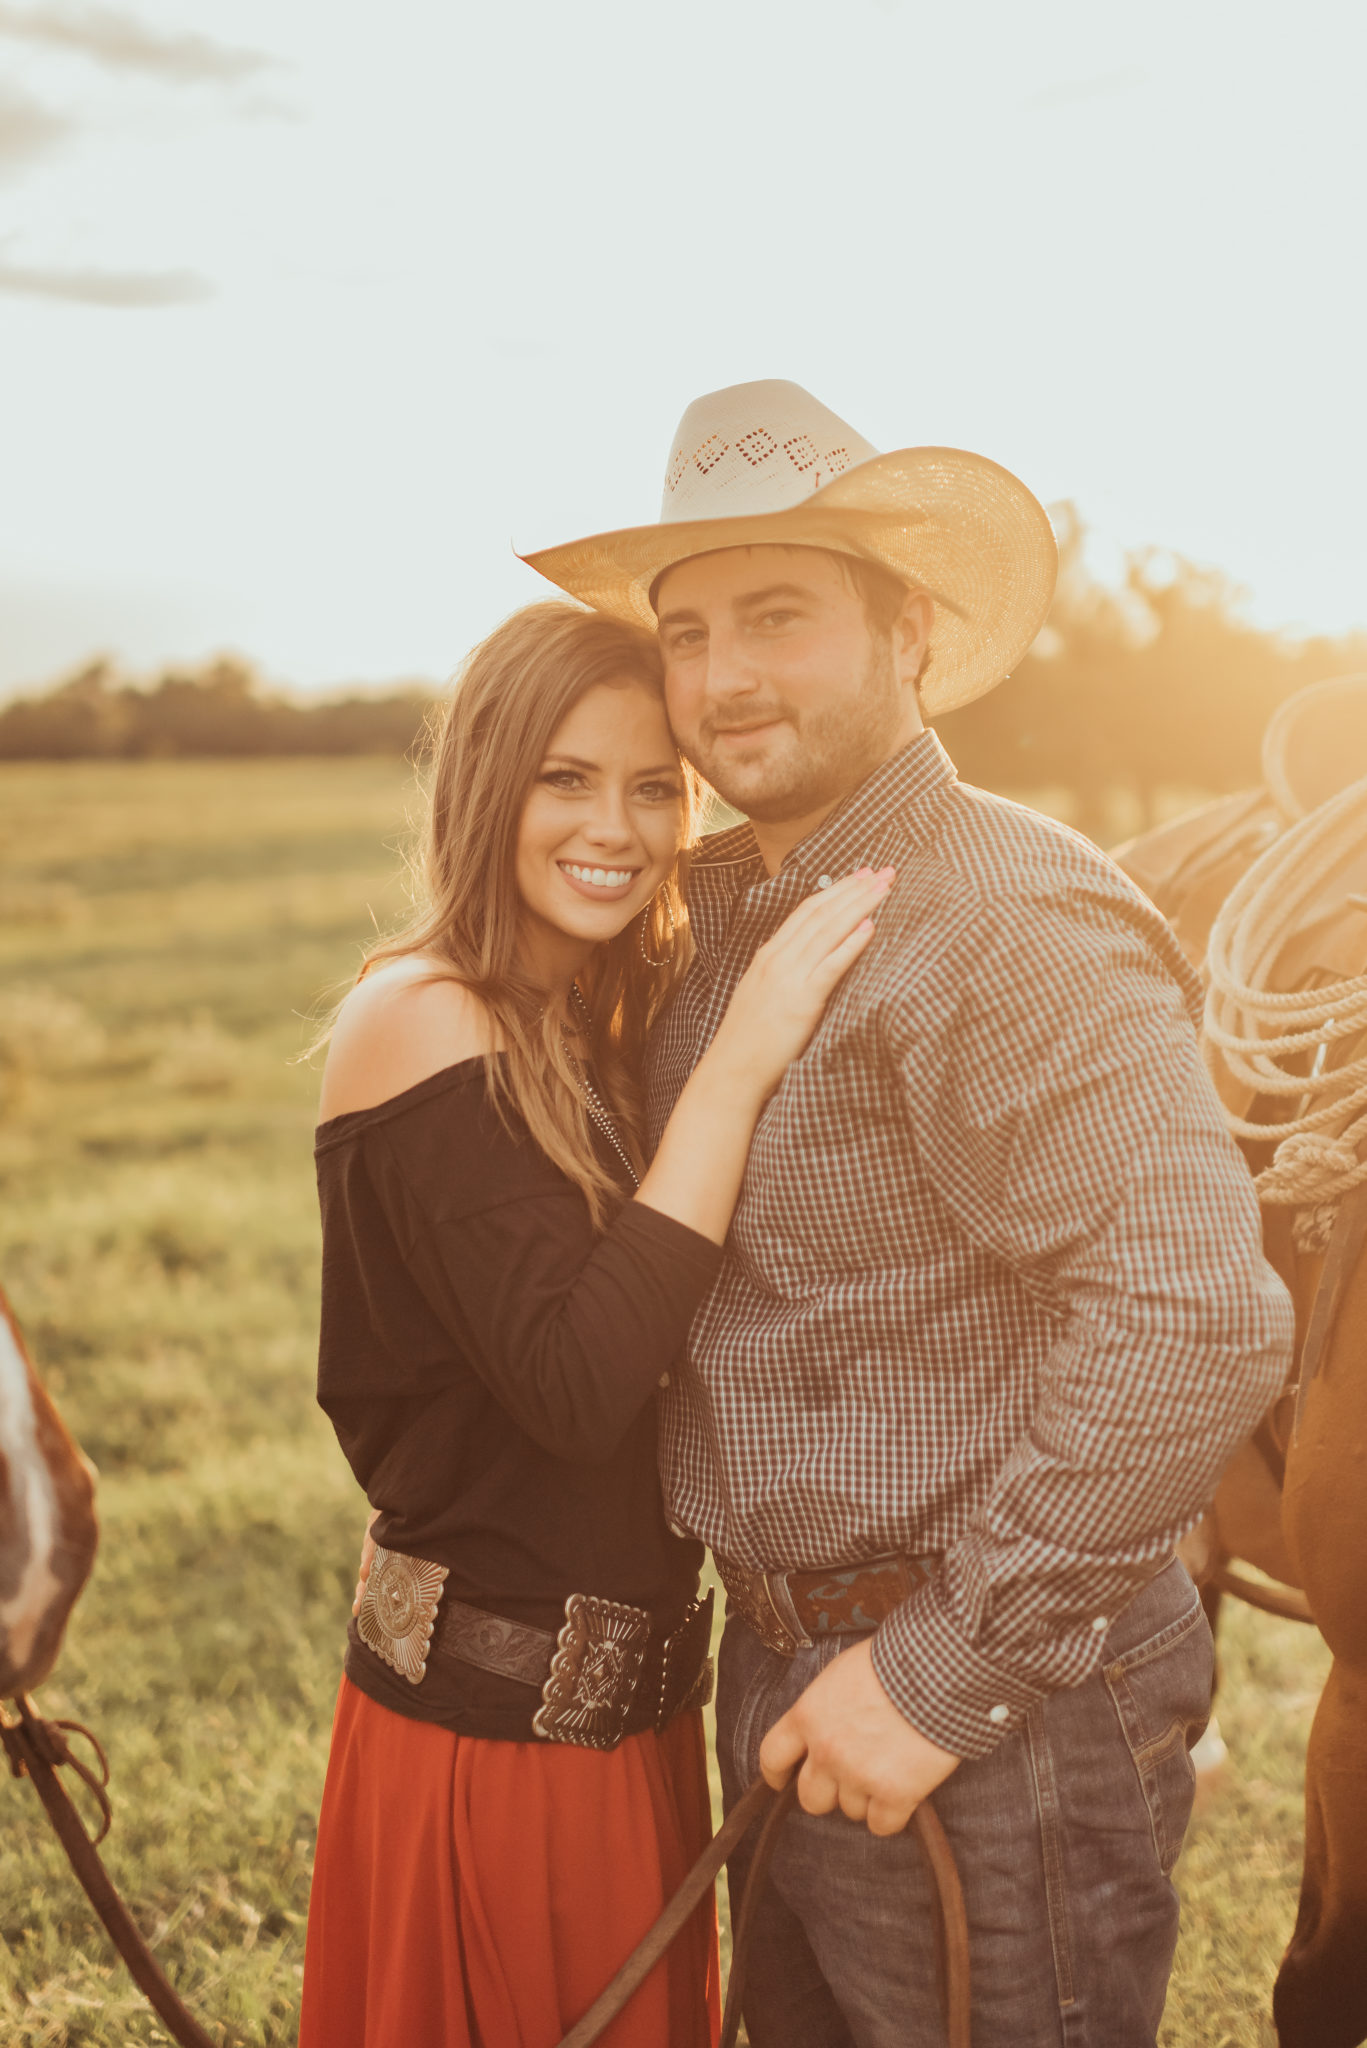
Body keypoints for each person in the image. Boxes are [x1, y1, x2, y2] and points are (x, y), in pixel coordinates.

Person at [522, 380, 1295, 2046]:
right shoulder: (721, 914)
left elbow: (1195, 1316)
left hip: (980, 1694)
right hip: (785, 1664)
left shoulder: (1001, 919)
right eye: (689, 632)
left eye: (780, 618)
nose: (724, 680)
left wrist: (937, 1675)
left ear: (911, 635)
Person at [298, 599, 887, 2048]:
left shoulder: (592, 1019)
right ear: (487, 784)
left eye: (651, 785)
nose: (615, 826)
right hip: (488, 1746)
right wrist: (741, 1063)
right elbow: (575, 1384)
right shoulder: (422, 1015)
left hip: (632, 1729)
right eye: (567, 778)